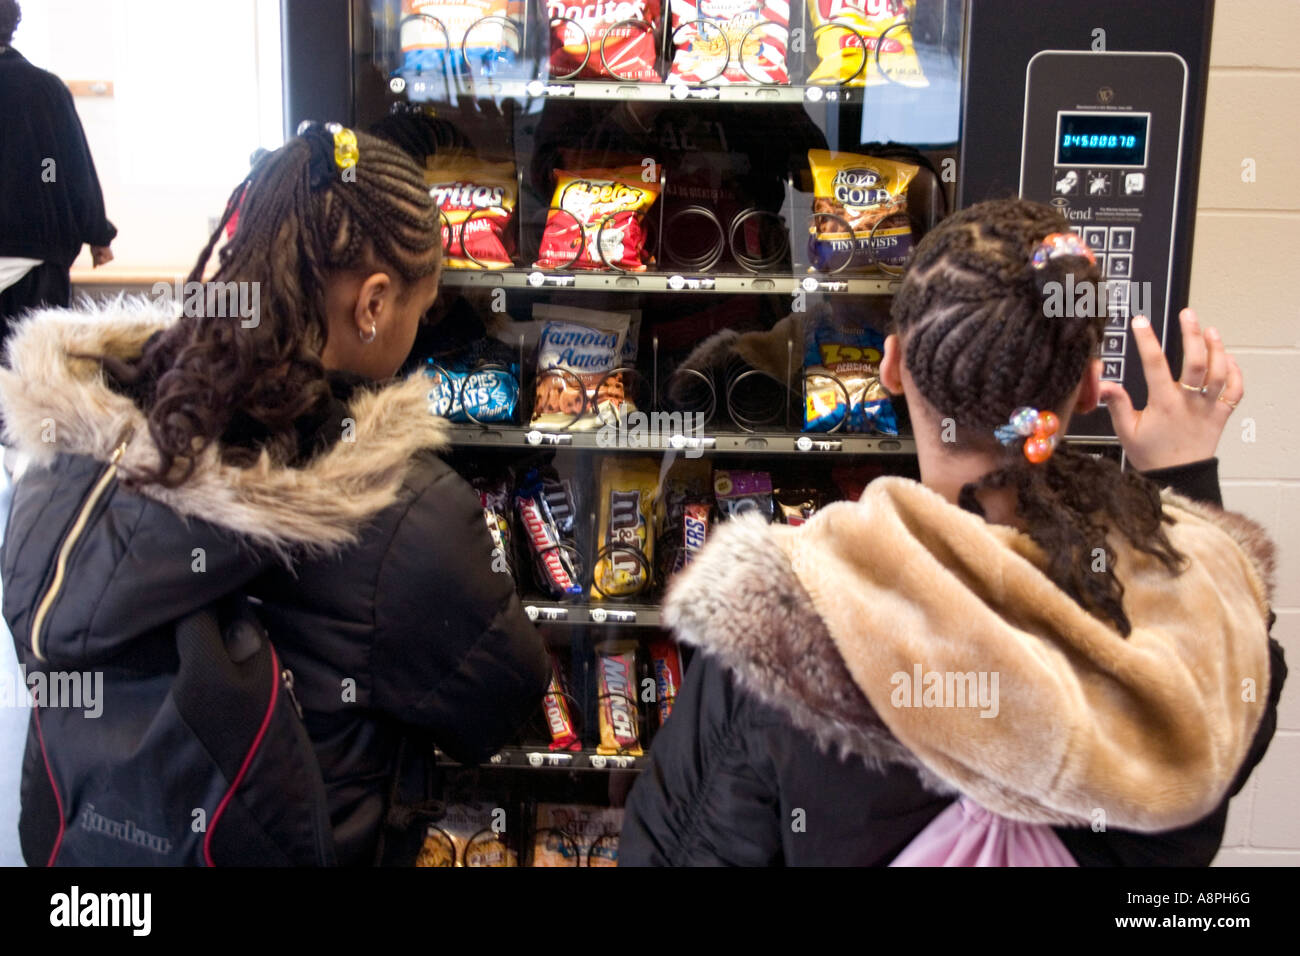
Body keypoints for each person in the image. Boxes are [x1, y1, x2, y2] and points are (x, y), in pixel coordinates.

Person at [621, 198, 1285, 866]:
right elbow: (1228, 661)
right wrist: (1185, 482)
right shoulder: (1193, 652)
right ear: (1087, 387)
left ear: (891, 366)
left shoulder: (785, 627)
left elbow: (674, 852)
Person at [0, 125, 550, 866]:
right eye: (423, 310)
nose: (420, 329)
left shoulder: (60, 475)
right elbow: (505, 704)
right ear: (375, 302)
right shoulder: (400, 513)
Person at [0, 0, 117, 327]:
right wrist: (98, 235)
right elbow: (72, 168)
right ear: (13, 27)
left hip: (36, 253)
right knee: (36, 372)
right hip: (38, 257)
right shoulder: (45, 88)